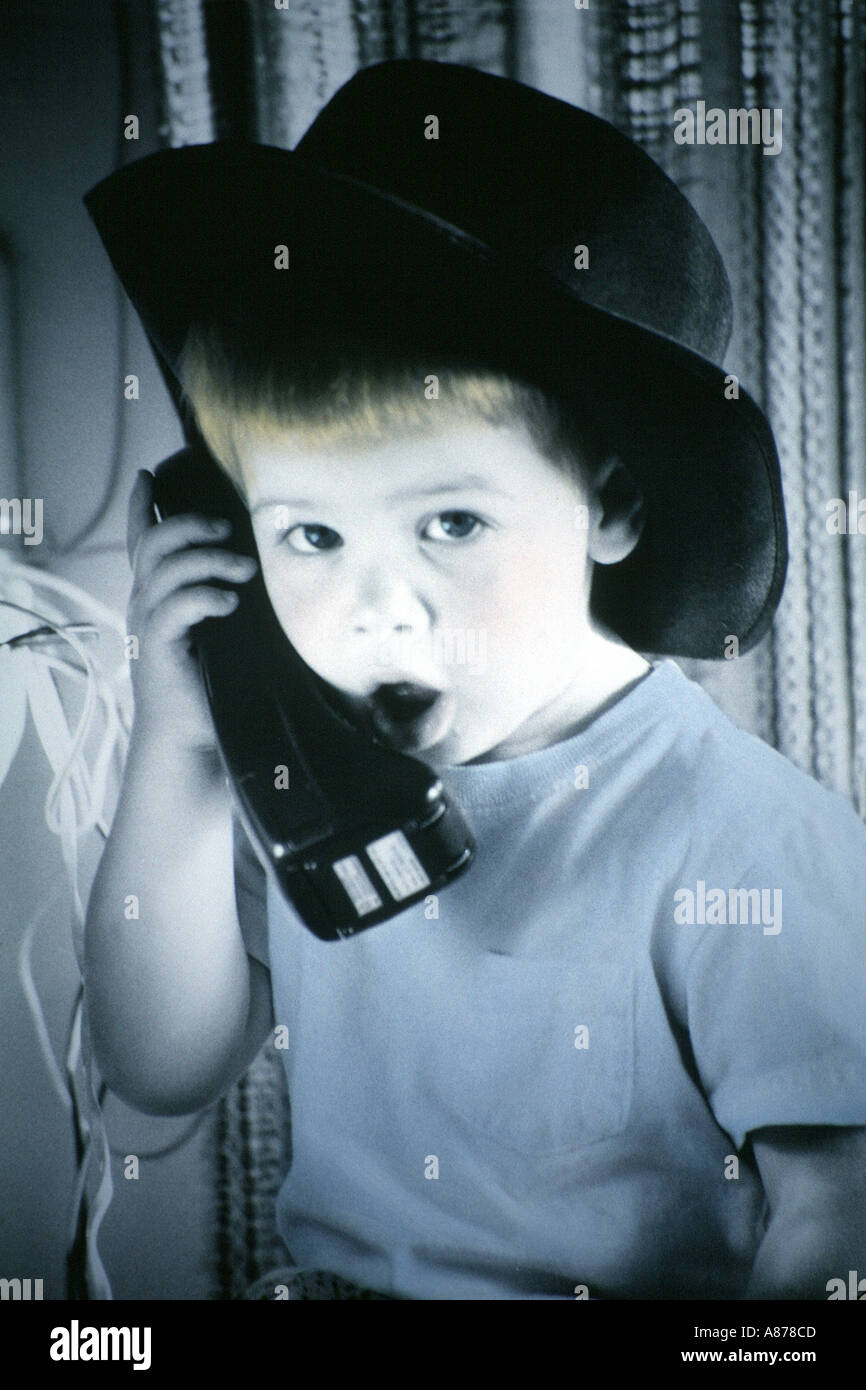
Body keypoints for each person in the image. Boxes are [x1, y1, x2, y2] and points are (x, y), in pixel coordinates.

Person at [83, 59, 866, 1300]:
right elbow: (156, 1065)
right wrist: (179, 744)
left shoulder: (742, 842)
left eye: (448, 522)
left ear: (607, 504)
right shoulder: (312, 781)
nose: (375, 606)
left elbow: (834, 1226)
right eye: (309, 535)